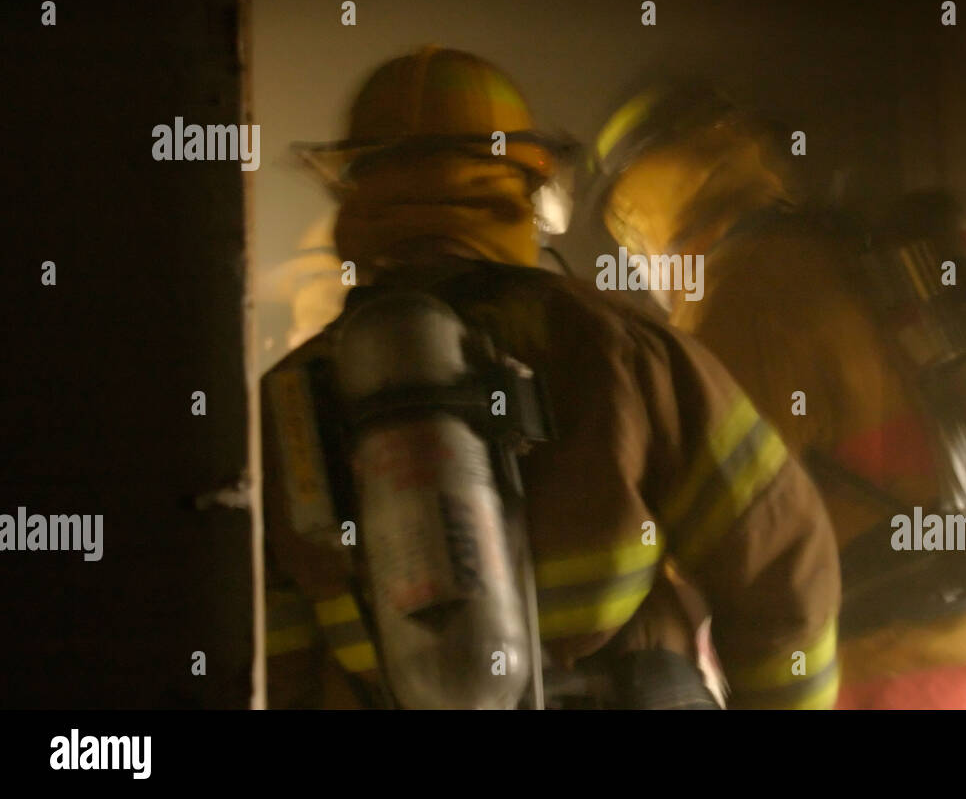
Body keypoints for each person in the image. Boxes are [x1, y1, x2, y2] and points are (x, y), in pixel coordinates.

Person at [260, 46, 841, 709]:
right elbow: (779, 561)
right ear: (519, 189)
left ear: (358, 193)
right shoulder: (617, 345)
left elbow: (274, 652)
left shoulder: (287, 402)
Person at [589, 81, 966, 708]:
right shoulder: (847, 252)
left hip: (885, 669)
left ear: (641, 209)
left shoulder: (733, 299)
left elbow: (700, 519)